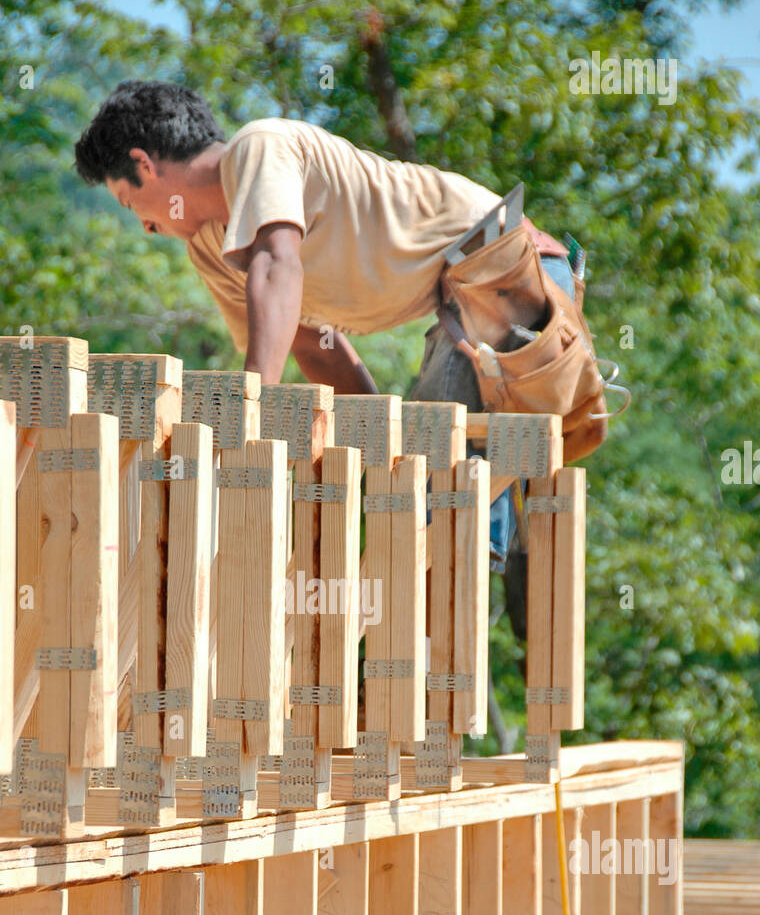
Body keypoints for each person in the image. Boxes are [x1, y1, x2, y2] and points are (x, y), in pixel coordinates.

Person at [74, 79, 580, 573]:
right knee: (413, 483)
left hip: (504, 265)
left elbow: (278, 263)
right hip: (460, 304)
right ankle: (456, 584)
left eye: (129, 201)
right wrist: (379, 451)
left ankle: (453, 613)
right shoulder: (210, 249)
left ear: (144, 164)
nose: (144, 224)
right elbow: (312, 345)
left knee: (437, 483)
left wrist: (248, 407)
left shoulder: (259, 147)